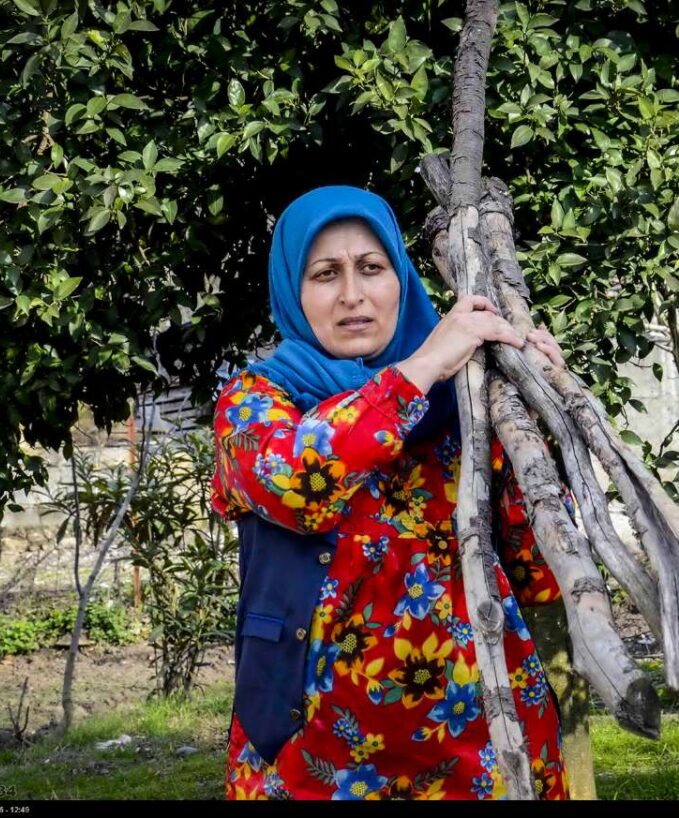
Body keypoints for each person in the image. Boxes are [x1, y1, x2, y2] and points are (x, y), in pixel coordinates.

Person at [211, 185, 571, 800]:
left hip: (483, 748)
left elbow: (542, 574)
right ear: (293, 293)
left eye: (371, 268)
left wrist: (541, 412)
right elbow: (300, 484)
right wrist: (421, 368)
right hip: (312, 759)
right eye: (325, 274)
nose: (352, 294)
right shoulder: (255, 404)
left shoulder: (466, 400)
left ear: (401, 281)